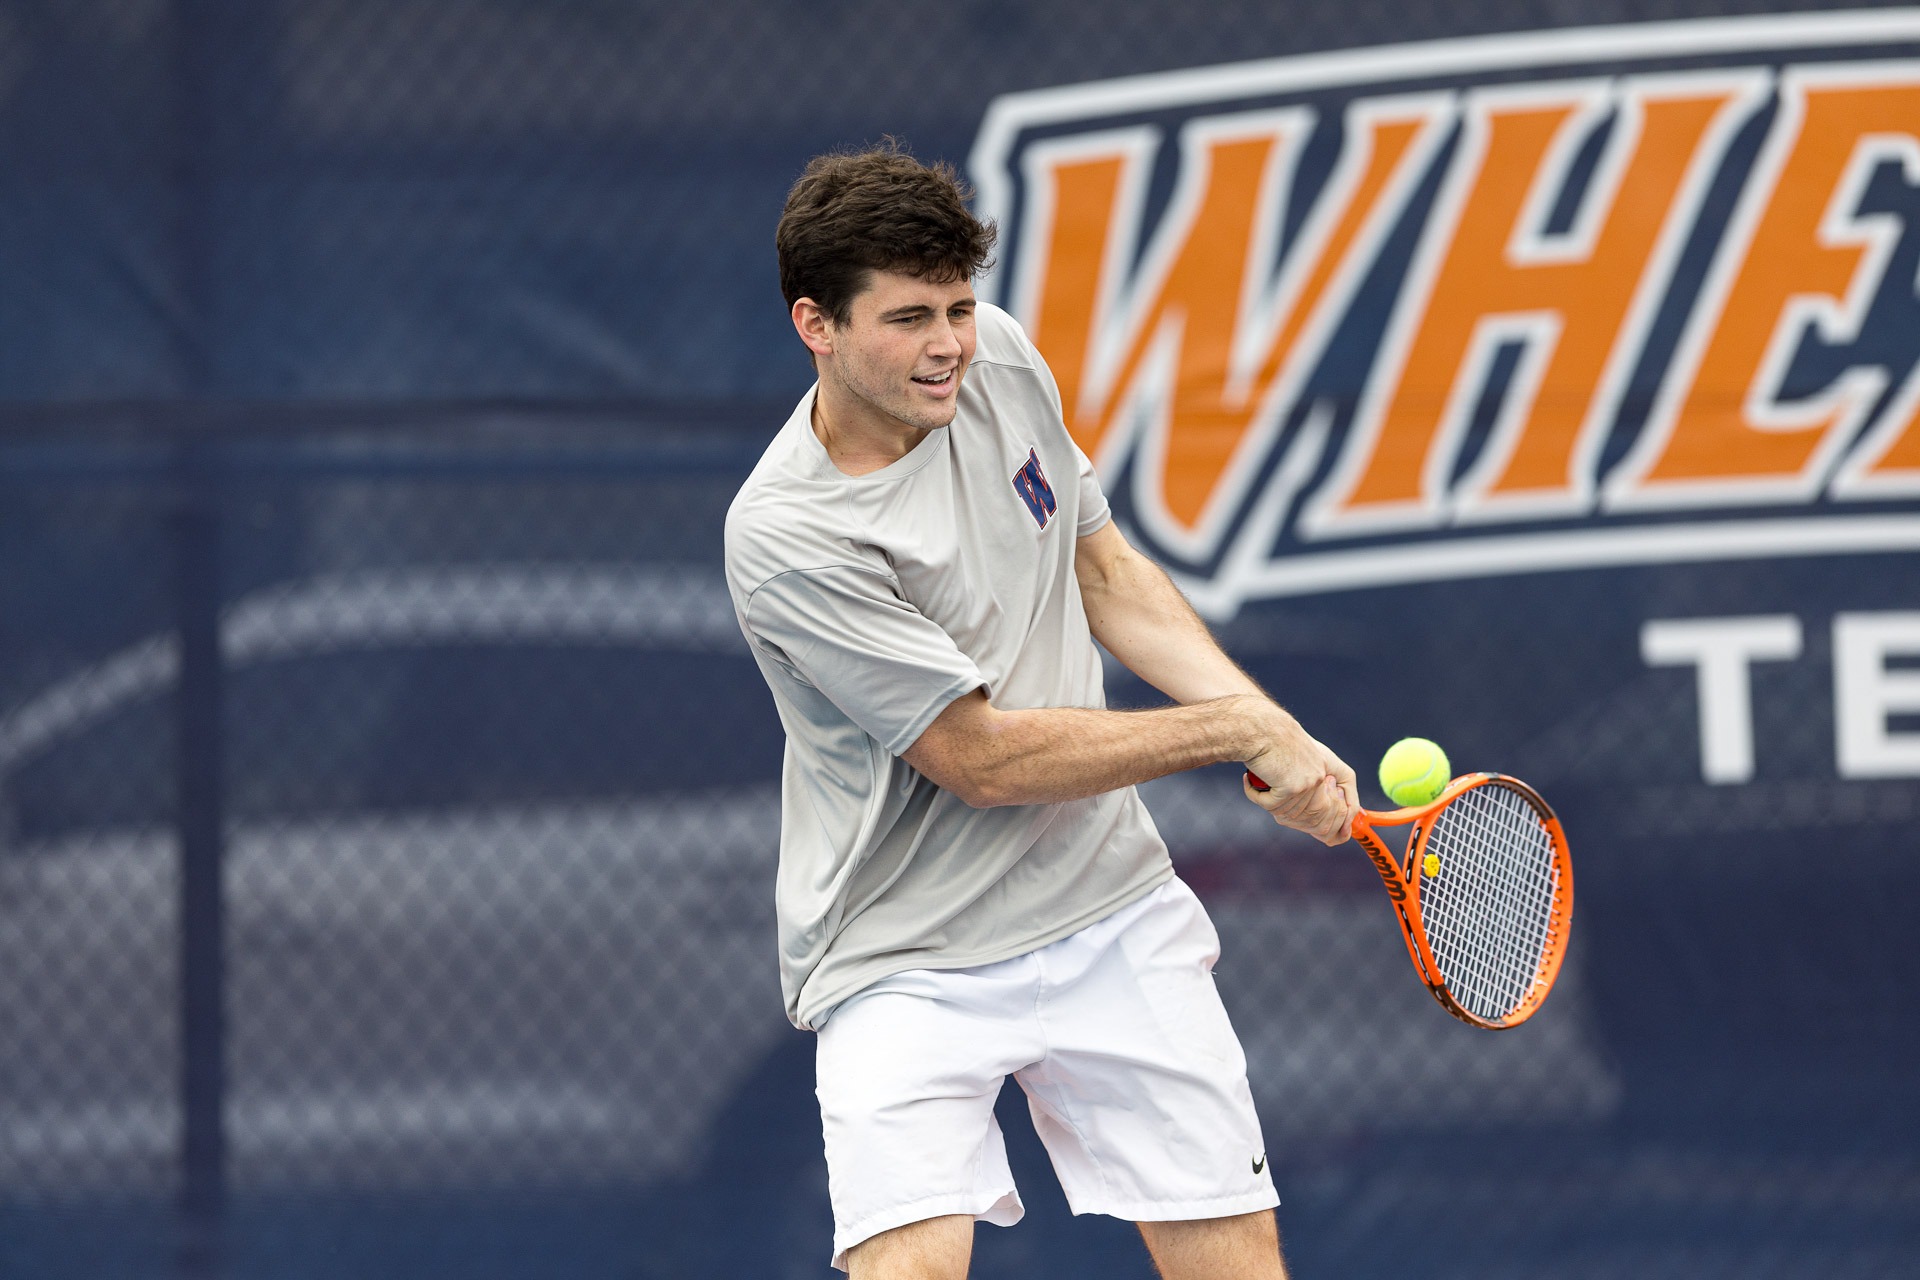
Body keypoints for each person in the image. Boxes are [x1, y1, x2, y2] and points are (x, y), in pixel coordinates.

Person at [724, 140, 1359, 1280]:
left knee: (1237, 1260)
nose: (948, 345)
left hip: (1104, 907)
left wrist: (1278, 732)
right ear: (814, 324)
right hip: (899, 952)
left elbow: (1102, 570)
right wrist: (1230, 732)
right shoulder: (788, 534)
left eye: (959, 307)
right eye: (910, 317)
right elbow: (980, 757)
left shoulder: (999, 361)